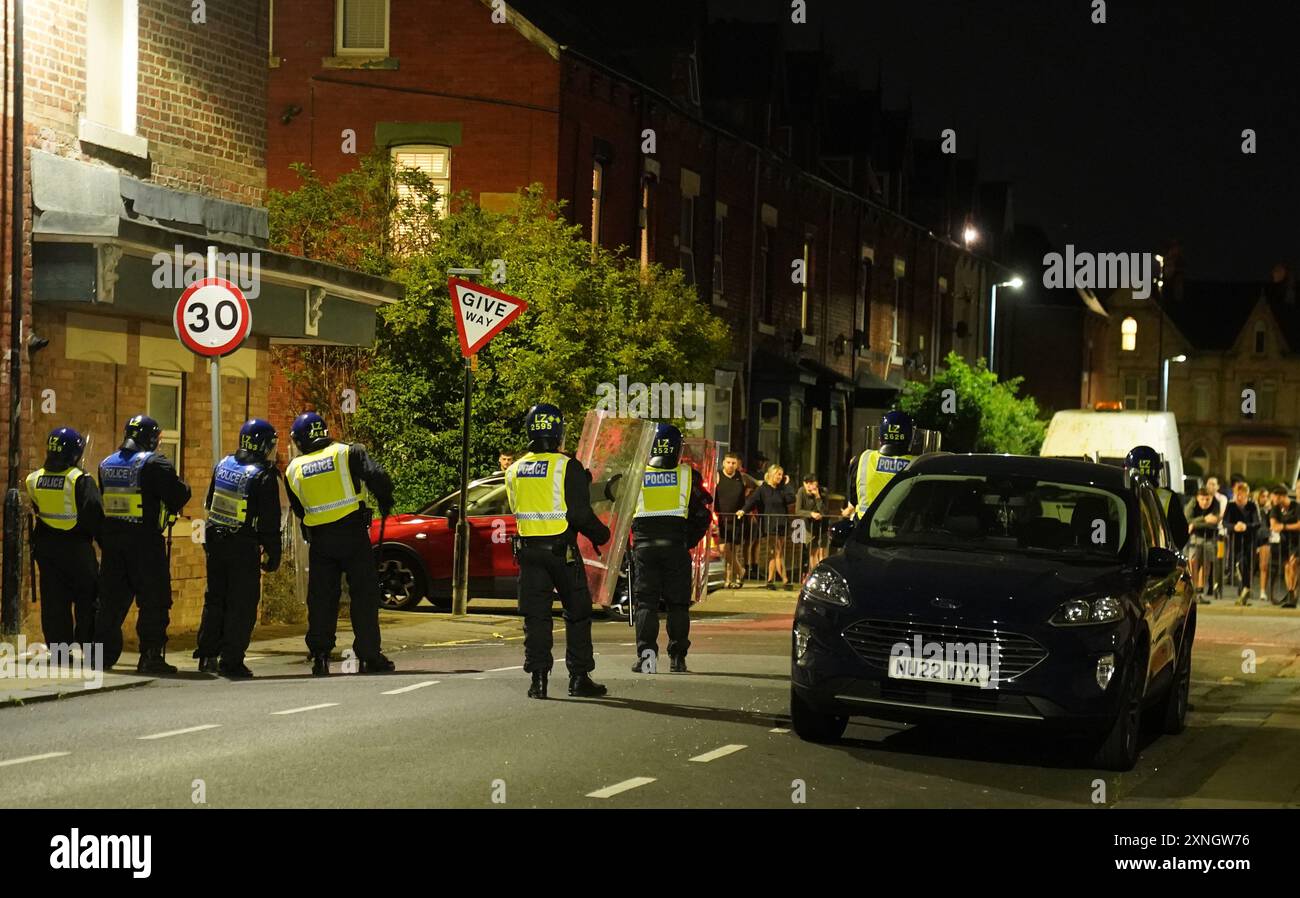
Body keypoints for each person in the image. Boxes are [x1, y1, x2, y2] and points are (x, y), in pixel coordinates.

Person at [504, 403, 611, 699]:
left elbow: (518, 507)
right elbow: (578, 513)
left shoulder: (514, 470)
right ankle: (579, 678)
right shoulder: (567, 466)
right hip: (561, 552)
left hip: (528, 552)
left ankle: (538, 681)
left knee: (536, 617)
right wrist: (602, 534)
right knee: (577, 613)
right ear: (559, 432)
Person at [284, 412, 395, 676]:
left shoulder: (293, 469)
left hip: (320, 540)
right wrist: (385, 500)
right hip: (353, 534)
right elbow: (378, 476)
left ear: (299, 439)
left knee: (321, 599)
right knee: (364, 596)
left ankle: (320, 656)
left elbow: (298, 508)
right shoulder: (348, 452)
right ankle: (369, 656)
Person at [94, 414, 192, 673]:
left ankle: (101, 656)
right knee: (154, 601)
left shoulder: (105, 464)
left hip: (113, 544)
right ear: (151, 439)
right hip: (145, 544)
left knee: (110, 602)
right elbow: (178, 495)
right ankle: (150, 656)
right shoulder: (155, 463)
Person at [195, 419, 283, 678]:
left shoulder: (223, 465)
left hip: (215, 542)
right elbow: (269, 521)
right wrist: (273, 552)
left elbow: (210, 502)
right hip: (243, 546)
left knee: (215, 600)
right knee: (241, 605)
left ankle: (207, 656)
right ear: (263, 445)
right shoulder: (263, 476)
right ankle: (231, 660)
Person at [629, 423, 712, 674]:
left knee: (646, 604)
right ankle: (677, 659)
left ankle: (647, 660)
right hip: (675, 547)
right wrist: (687, 540)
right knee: (678, 605)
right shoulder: (688, 475)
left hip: (644, 548)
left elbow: (621, 510)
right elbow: (703, 515)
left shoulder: (637, 474)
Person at [25, 427, 103, 647]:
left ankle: (59, 648)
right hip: (77, 548)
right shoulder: (79, 479)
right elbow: (94, 514)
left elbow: (38, 509)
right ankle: (88, 646)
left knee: (54, 601)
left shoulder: (33, 479)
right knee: (87, 598)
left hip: (46, 548)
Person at [844, 410, 917, 519]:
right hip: (901, 527)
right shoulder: (917, 464)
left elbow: (853, 499)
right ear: (910, 437)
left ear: (880, 437)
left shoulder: (861, 460)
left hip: (864, 526)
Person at [738, 464, 796, 590]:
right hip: (769, 525)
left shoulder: (782, 489)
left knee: (774, 553)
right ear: (770, 474)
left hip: (782, 523)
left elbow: (791, 499)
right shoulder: (763, 489)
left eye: (781, 475)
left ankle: (770, 580)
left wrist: (786, 485)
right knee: (777, 551)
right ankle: (785, 580)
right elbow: (752, 501)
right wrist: (743, 510)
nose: (780, 477)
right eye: (778, 474)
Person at [1122, 445, 1188, 550]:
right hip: (1159, 557)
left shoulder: (1120, 494)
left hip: (1125, 555)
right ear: (1157, 471)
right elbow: (1181, 535)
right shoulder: (1169, 497)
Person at [714, 452, 756, 588]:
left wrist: (746, 507)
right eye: (728, 462)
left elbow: (758, 487)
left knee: (734, 550)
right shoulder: (717, 476)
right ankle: (740, 571)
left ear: (737, 464)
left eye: (733, 463)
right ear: (723, 463)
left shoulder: (742, 477)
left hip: (737, 518)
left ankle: (732, 579)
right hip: (721, 519)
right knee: (723, 549)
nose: (731, 465)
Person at [1223, 480, 1258, 605]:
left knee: (1247, 565)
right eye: (1237, 494)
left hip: (1249, 541)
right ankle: (1245, 589)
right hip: (1235, 541)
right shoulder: (1231, 506)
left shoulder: (1252, 506)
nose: (1239, 496)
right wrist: (1234, 527)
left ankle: (1244, 590)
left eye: (1242, 494)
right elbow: (1225, 522)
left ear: (1247, 494)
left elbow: (1257, 523)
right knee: (1240, 564)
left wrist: (1246, 526)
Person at [1184, 488, 1219, 604]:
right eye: (1202, 499)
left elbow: (1214, 522)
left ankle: (1199, 593)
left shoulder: (1216, 504)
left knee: (1206, 565)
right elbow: (1187, 520)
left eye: (1207, 499)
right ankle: (1192, 592)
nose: (1205, 502)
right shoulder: (1192, 504)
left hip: (1209, 538)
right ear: (1198, 498)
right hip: (1195, 538)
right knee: (1193, 563)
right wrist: (1203, 519)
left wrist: (1195, 525)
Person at [1269, 484, 1300, 607]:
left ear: (1283, 496)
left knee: (1293, 564)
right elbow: (1274, 525)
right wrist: (1284, 527)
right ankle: (1290, 592)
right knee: (1287, 566)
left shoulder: (1296, 507)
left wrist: (1284, 526)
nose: (1274, 500)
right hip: (1284, 541)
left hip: (1297, 541)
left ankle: (1293, 594)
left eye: (1276, 498)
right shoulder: (1276, 508)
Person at [795, 473, 830, 575]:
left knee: (822, 552)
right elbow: (798, 511)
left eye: (813, 484)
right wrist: (811, 514)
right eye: (808, 484)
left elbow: (824, 512)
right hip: (809, 526)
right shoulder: (801, 491)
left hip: (822, 525)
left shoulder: (823, 491)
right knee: (813, 552)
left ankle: (822, 574)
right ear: (804, 484)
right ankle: (815, 574)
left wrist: (817, 496)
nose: (810, 487)